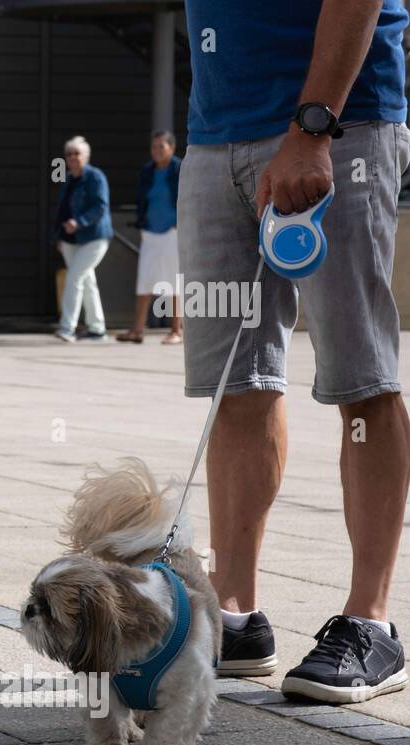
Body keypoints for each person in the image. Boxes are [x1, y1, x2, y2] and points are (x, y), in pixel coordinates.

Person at [182, 0, 408, 703]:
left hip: (338, 127)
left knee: (361, 380)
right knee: (236, 387)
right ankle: (234, 616)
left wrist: (314, 124)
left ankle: (371, 624)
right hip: (216, 136)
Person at [117, 130, 182, 345]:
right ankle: (137, 330)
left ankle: (176, 331)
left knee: (174, 282)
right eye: (153, 147)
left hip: (173, 232)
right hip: (150, 231)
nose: (156, 151)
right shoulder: (147, 171)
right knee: (144, 280)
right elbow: (142, 198)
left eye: (161, 147)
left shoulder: (179, 169)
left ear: (171, 148)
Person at [53, 136, 112, 343]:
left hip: (94, 237)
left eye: (76, 153)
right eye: (69, 154)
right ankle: (97, 328)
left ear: (86, 156)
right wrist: (59, 237)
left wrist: (79, 222)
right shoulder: (67, 179)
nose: (72, 158)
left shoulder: (95, 177)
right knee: (87, 282)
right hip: (70, 240)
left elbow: (101, 206)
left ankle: (67, 328)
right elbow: (61, 210)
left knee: (74, 278)